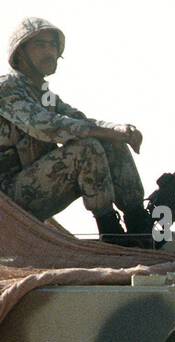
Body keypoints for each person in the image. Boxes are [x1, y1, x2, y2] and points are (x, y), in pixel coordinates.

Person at [0, 17, 154, 247]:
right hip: (8, 202)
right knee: (86, 148)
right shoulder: (8, 88)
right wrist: (106, 132)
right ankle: (110, 231)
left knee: (111, 142)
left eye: (53, 46)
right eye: (41, 45)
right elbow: (46, 126)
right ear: (20, 53)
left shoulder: (44, 95)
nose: (49, 51)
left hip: (30, 191)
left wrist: (119, 130)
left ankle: (138, 224)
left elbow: (79, 120)